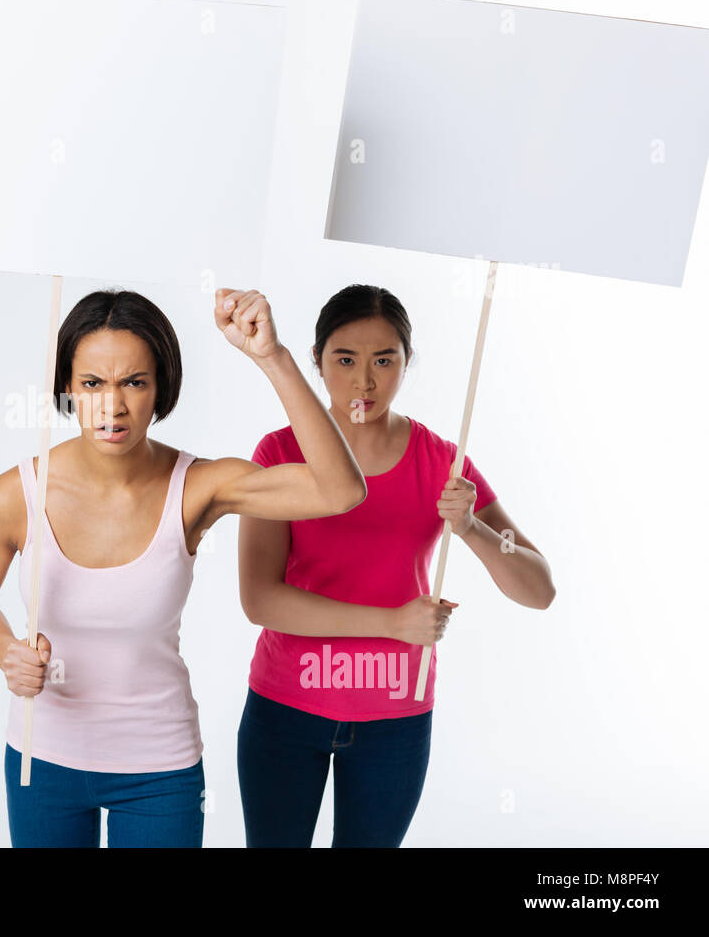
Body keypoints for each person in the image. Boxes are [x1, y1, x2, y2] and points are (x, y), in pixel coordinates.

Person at [0, 287, 367, 847]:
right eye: (93, 383)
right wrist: (7, 652)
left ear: (160, 388)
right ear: (68, 388)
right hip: (42, 758)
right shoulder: (14, 495)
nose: (113, 406)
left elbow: (340, 490)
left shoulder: (198, 487)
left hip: (159, 769)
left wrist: (272, 357)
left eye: (135, 382)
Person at [236, 283, 556, 847]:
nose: (364, 381)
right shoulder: (280, 454)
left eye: (385, 360)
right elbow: (260, 599)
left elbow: (538, 589)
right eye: (345, 360)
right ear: (315, 360)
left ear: (408, 363)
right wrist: (391, 623)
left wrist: (474, 529)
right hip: (285, 708)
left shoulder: (440, 461)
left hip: (395, 720)